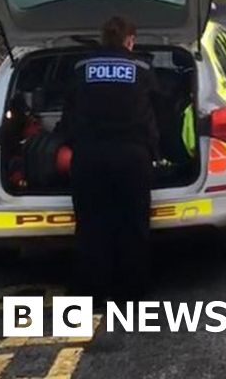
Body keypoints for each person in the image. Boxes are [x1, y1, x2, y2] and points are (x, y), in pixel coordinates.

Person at [61, 16, 160, 301]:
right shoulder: (141, 68)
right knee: (133, 223)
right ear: (130, 40)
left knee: (91, 223)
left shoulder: (81, 68)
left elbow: (69, 113)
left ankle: (94, 290)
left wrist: (69, 142)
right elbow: (159, 109)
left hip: (89, 157)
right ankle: (133, 291)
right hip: (132, 157)